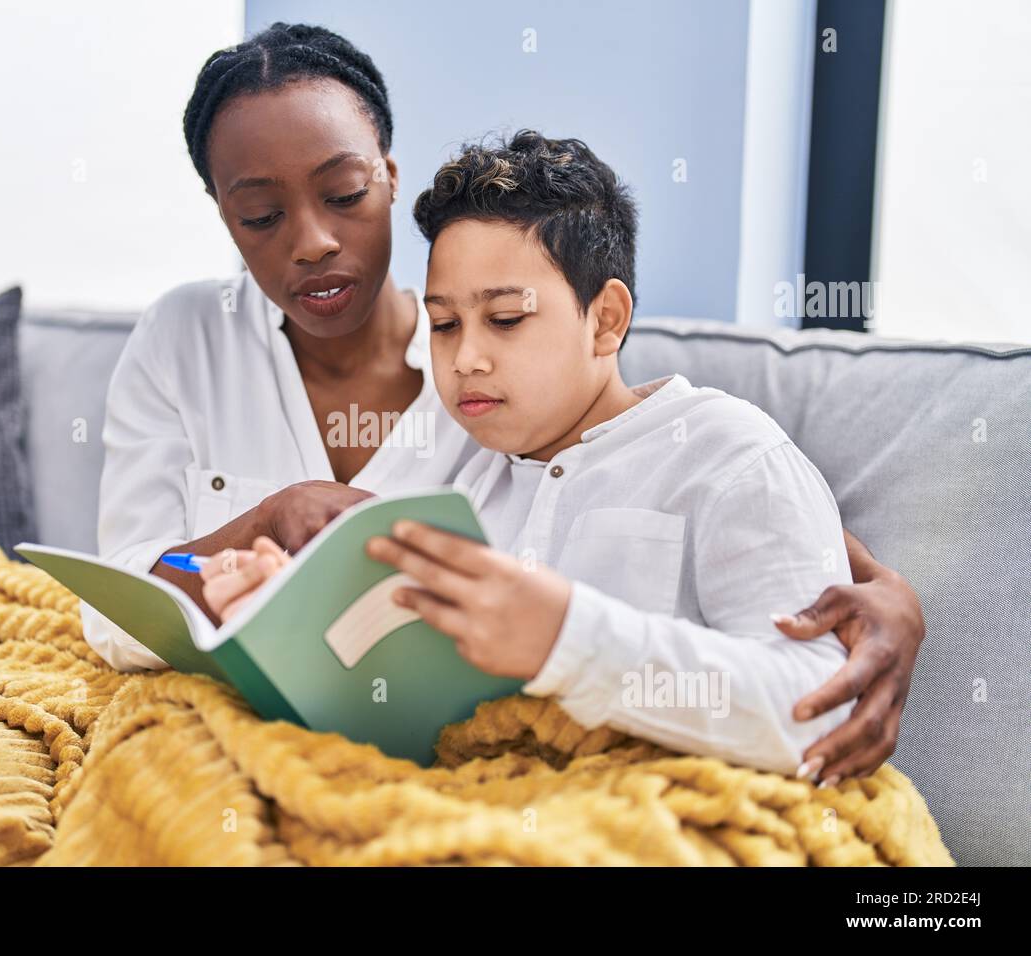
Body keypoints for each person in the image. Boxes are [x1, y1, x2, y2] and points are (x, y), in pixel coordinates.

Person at [88, 22, 925, 786]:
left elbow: (730, 493)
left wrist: (894, 592)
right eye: (261, 214)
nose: (311, 240)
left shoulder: (537, 420)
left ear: (387, 174)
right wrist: (260, 582)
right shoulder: (492, 450)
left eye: (343, 195)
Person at [205, 130, 858, 775]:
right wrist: (291, 629)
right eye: (443, 325)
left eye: (507, 319)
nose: (465, 360)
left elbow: (818, 708)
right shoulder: (460, 473)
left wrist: (570, 638)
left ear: (605, 320)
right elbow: (406, 704)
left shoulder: (729, 454)